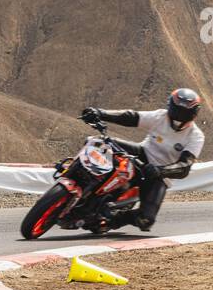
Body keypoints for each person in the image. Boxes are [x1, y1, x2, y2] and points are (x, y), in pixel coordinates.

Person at [80, 88, 204, 231]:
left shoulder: (196, 136)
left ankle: (113, 219)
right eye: (176, 111)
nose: (178, 117)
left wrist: (160, 171)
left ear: (193, 114)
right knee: (96, 142)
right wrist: (100, 113)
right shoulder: (160, 117)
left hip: (160, 176)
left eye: (184, 114)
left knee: (146, 220)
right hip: (142, 154)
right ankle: (78, 175)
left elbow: (184, 166)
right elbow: (131, 117)